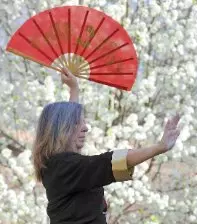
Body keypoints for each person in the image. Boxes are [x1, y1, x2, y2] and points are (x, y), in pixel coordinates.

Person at [31, 67, 181, 224]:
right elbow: (109, 162)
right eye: (78, 123)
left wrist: (74, 89)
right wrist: (158, 148)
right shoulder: (65, 166)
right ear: (62, 129)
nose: (85, 127)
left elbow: (69, 118)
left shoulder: (57, 165)